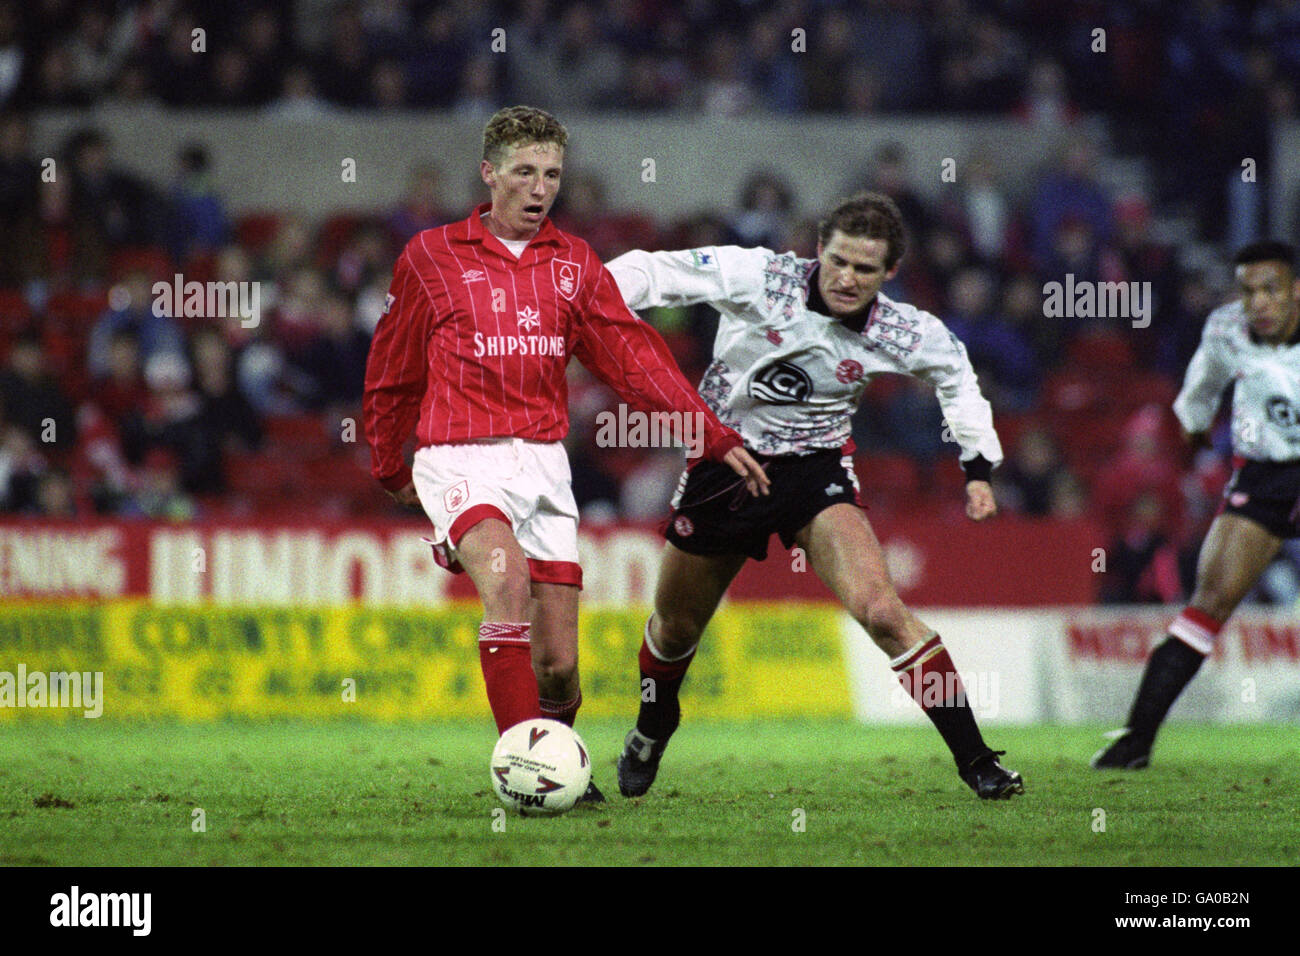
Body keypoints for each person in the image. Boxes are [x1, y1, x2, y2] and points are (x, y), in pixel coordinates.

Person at [361, 106, 769, 803]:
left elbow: (632, 358)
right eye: (524, 172)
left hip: (544, 465)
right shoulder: (432, 255)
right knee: (506, 581)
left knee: (557, 666)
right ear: (489, 174)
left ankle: (559, 767)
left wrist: (709, 433)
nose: (539, 187)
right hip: (459, 456)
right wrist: (388, 461)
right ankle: (526, 774)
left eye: (551, 174)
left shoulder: (574, 265)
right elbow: (393, 366)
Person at [606, 192, 1025, 800]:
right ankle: (654, 724)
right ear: (817, 252)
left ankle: (978, 761)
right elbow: (657, 271)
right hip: (725, 463)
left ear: (889, 275)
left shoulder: (903, 329)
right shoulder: (758, 276)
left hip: (815, 472)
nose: (847, 279)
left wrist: (978, 466)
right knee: (673, 630)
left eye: (864, 269)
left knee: (882, 612)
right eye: (838, 261)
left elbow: (957, 378)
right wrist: (583, 294)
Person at [1093, 240, 1300, 769]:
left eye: (1271, 289)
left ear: (1296, 290)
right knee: (1207, 604)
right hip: (1265, 477)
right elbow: (1201, 390)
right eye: (1249, 290)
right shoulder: (1226, 329)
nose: (1259, 302)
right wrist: (1192, 427)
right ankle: (1136, 741)